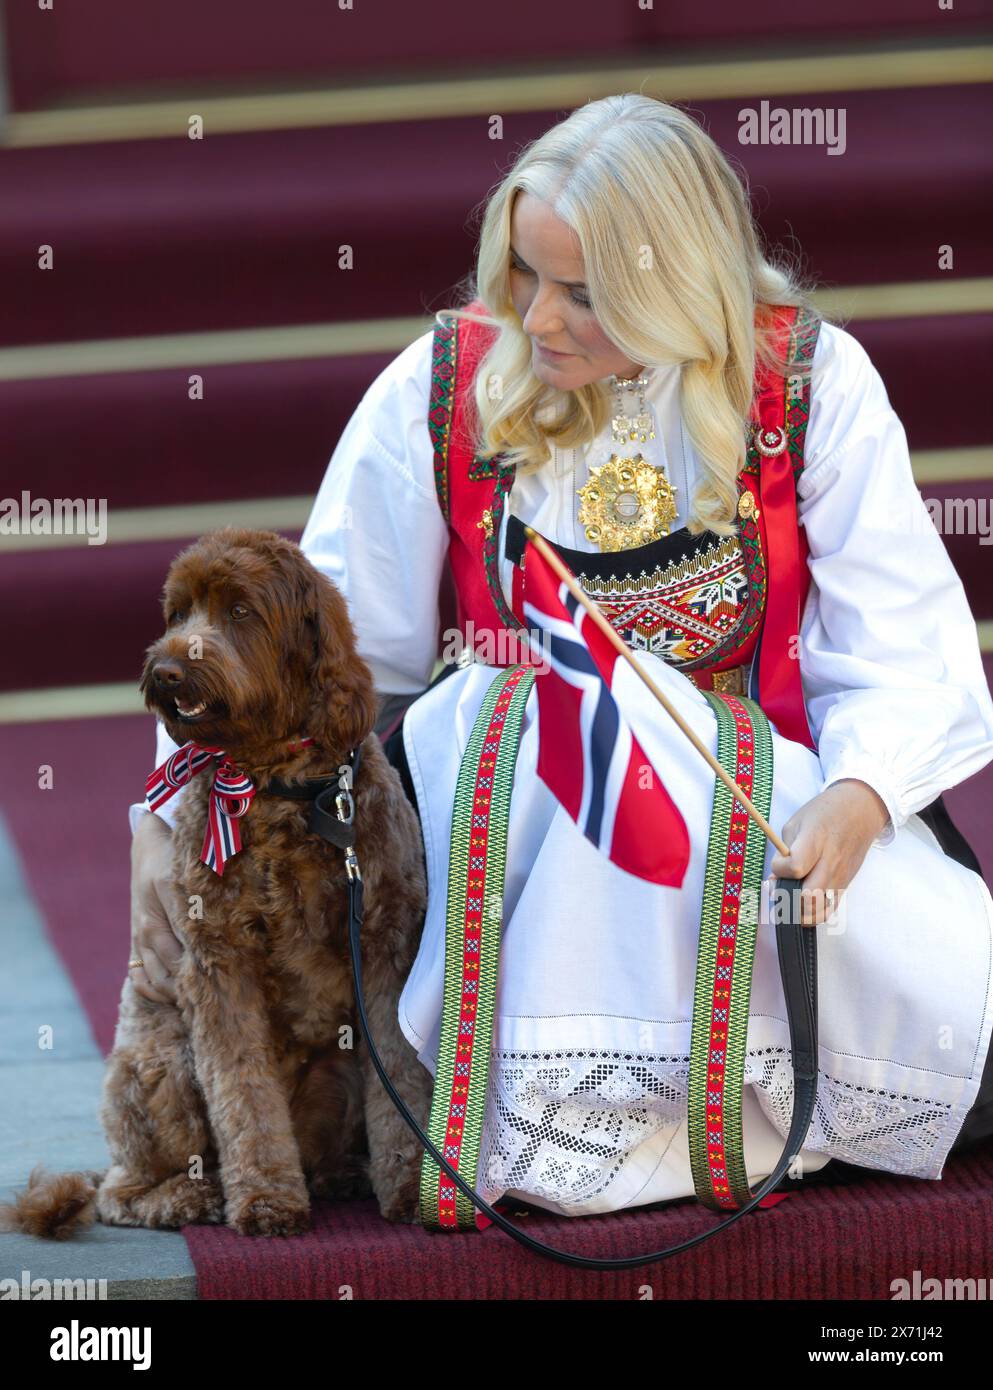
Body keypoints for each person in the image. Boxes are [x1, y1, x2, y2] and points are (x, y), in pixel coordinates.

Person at [129, 94, 993, 1218]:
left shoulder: (810, 387)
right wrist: (182, 813)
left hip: (748, 806)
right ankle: (573, 1113)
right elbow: (322, 645)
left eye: (583, 293)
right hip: (513, 818)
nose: (536, 319)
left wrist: (865, 798)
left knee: (942, 1000)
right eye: (523, 274)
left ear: (678, 284)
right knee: (523, 724)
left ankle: (698, 1105)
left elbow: (904, 645)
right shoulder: (440, 387)